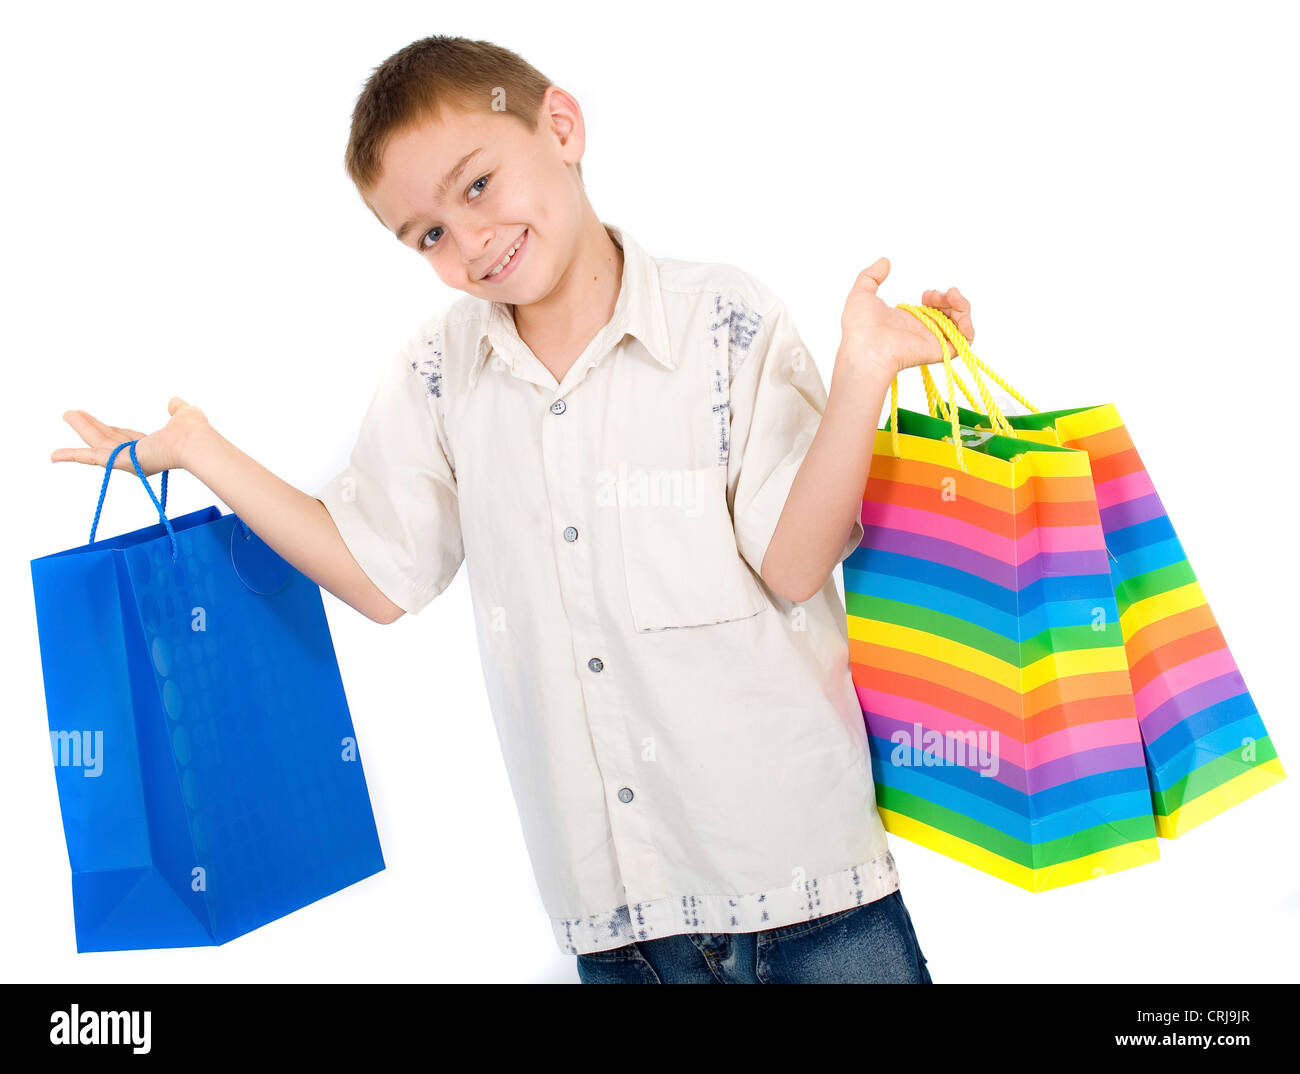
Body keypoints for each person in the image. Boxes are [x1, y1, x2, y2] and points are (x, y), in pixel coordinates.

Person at [52, 35, 971, 984]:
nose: (470, 239)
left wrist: (863, 373)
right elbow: (375, 575)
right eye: (429, 236)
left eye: (478, 185)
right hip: (617, 930)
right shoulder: (441, 377)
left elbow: (792, 564)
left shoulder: (725, 324)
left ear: (561, 128)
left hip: (813, 895)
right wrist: (203, 450)